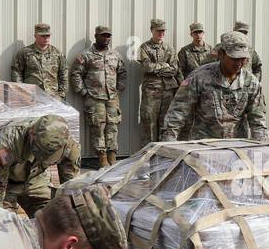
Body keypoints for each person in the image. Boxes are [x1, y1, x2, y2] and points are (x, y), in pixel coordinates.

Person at [160, 31, 269, 142]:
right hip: (203, 147)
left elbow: (258, 121)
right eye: (234, 58)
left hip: (236, 148)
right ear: (221, 54)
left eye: (243, 58)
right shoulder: (199, 77)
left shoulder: (251, 83)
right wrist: (168, 143)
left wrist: (262, 150)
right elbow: (177, 112)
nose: (239, 63)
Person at [0, 114, 81, 216]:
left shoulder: (70, 147)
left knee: (52, 218)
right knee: (2, 223)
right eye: (40, 152)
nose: (43, 158)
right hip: (3, 179)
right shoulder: (6, 143)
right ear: (32, 134)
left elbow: (71, 187)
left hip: (35, 177)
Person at [71, 25, 127, 165]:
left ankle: (112, 157)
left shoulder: (115, 55)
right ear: (96, 36)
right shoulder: (86, 55)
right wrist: (84, 92)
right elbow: (75, 74)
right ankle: (102, 159)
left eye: (108, 36)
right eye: (103, 35)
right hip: (94, 98)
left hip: (112, 98)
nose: (106, 38)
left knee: (113, 126)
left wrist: (118, 90)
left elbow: (122, 73)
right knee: (98, 127)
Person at [137, 18, 181, 144]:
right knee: (149, 122)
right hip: (151, 91)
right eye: (158, 31)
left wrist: (158, 67)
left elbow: (174, 69)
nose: (161, 33)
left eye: (163, 31)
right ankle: (148, 154)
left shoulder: (169, 48)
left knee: (166, 123)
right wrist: (164, 66)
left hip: (168, 91)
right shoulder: (145, 47)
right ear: (152, 30)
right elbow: (147, 67)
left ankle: (164, 153)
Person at [12, 23, 70, 101]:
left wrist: (61, 94)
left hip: (52, 96)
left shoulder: (57, 53)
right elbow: (16, 72)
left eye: (47, 36)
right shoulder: (25, 53)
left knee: (51, 114)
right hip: (31, 96)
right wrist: (22, 92)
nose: (46, 38)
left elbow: (64, 73)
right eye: (42, 36)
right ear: (35, 36)